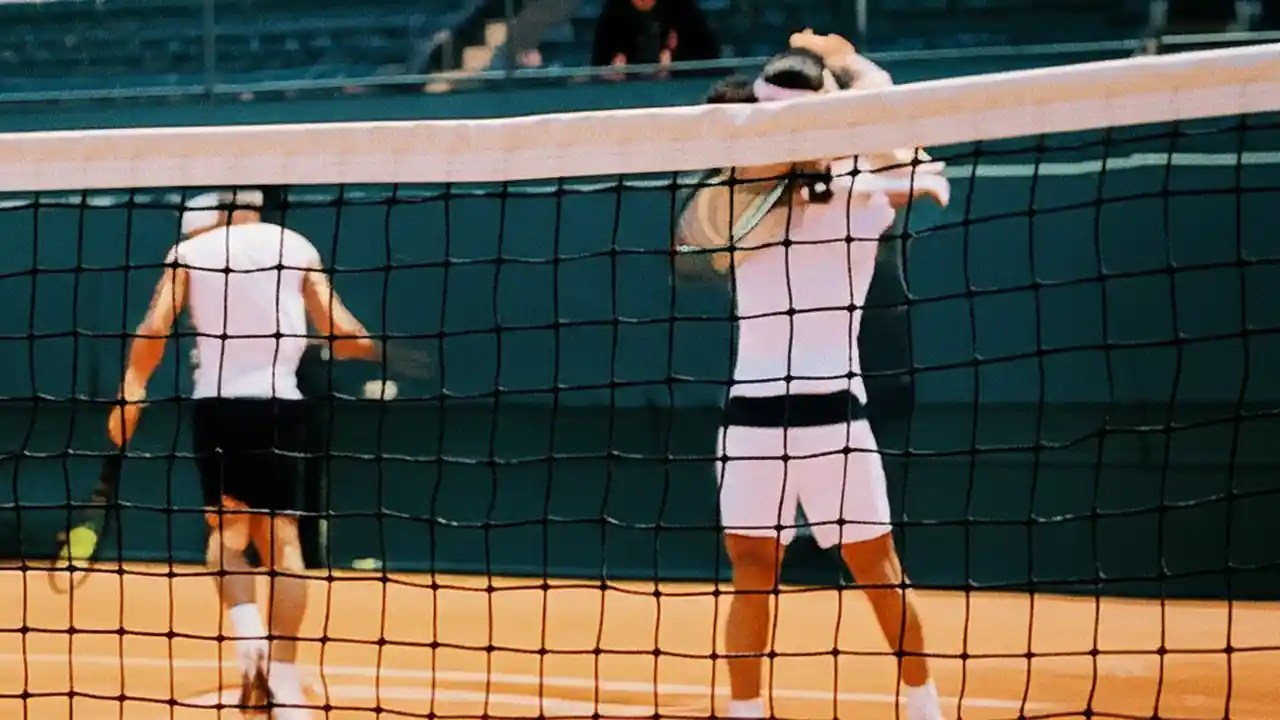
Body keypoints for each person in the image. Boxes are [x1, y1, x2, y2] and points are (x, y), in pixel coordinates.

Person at [677, 34, 951, 720]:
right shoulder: (765, 191)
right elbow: (900, 135)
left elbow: (911, 162)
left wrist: (840, 82)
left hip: (814, 418)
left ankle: (923, 705)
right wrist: (853, 63)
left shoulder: (850, 192)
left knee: (872, 571)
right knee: (760, 575)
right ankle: (753, 713)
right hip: (770, 421)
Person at [107, 189, 391, 719]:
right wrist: (367, 345)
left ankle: (248, 638)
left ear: (214, 215)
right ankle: (283, 680)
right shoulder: (296, 245)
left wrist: (132, 386)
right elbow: (342, 333)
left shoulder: (191, 253)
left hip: (218, 410)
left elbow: (155, 327)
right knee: (284, 543)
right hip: (281, 409)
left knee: (228, 538)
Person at [591, 0, 718, 75]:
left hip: (678, 89)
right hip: (628, 92)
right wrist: (610, 69)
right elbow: (599, 62)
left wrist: (676, 59)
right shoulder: (613, 12)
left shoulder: (682, 9)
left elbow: (708, 56)